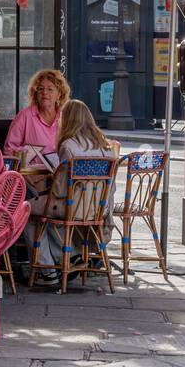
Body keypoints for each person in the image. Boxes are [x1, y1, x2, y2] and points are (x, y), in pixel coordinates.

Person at [23, 99, 117, 286]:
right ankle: (69, 255)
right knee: (46, 213)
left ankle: (47, 270)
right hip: (97, 210)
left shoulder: (69, 146)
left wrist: (53, 177)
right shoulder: (107, 148)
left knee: (25, 210)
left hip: (72, 207)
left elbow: (62, 190)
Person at [4, 68, 70, 158]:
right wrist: (27, 153)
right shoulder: (25, 116)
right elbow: (9, 149)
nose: (44, 92)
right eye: (40, 89)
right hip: (32, 171)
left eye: (50, 89)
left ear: (59, 94)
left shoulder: (66, 117)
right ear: (35, 93)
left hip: (62, 170)